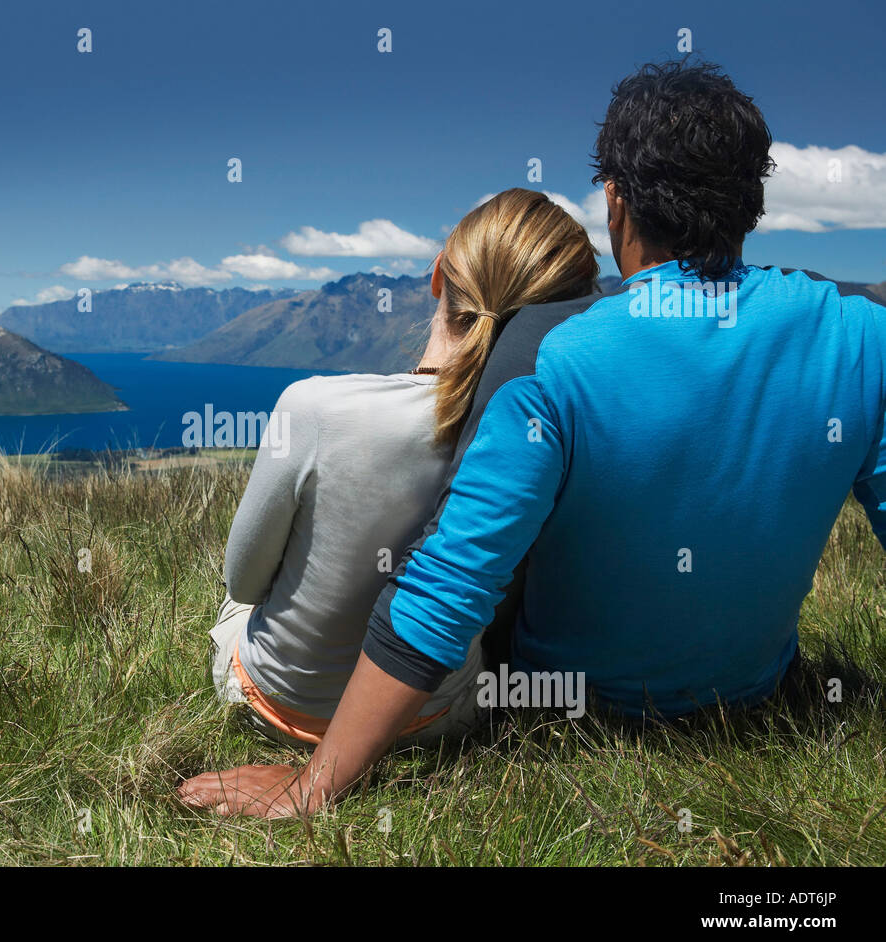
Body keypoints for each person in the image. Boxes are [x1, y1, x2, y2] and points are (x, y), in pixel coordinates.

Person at [179, 59, 886, 817]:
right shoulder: (861, 335)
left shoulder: (554, 356)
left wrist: (314, 784)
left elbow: (445, 588)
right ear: (752, 205)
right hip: (754, 697)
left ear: (614, 202)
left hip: (567, 716)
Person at [209, 188, 598, 747]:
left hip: (275, 705)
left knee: (234, 601)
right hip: (438, 721)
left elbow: (244, 582)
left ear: (439, 276)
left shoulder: (314, 406)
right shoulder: (543, 434)